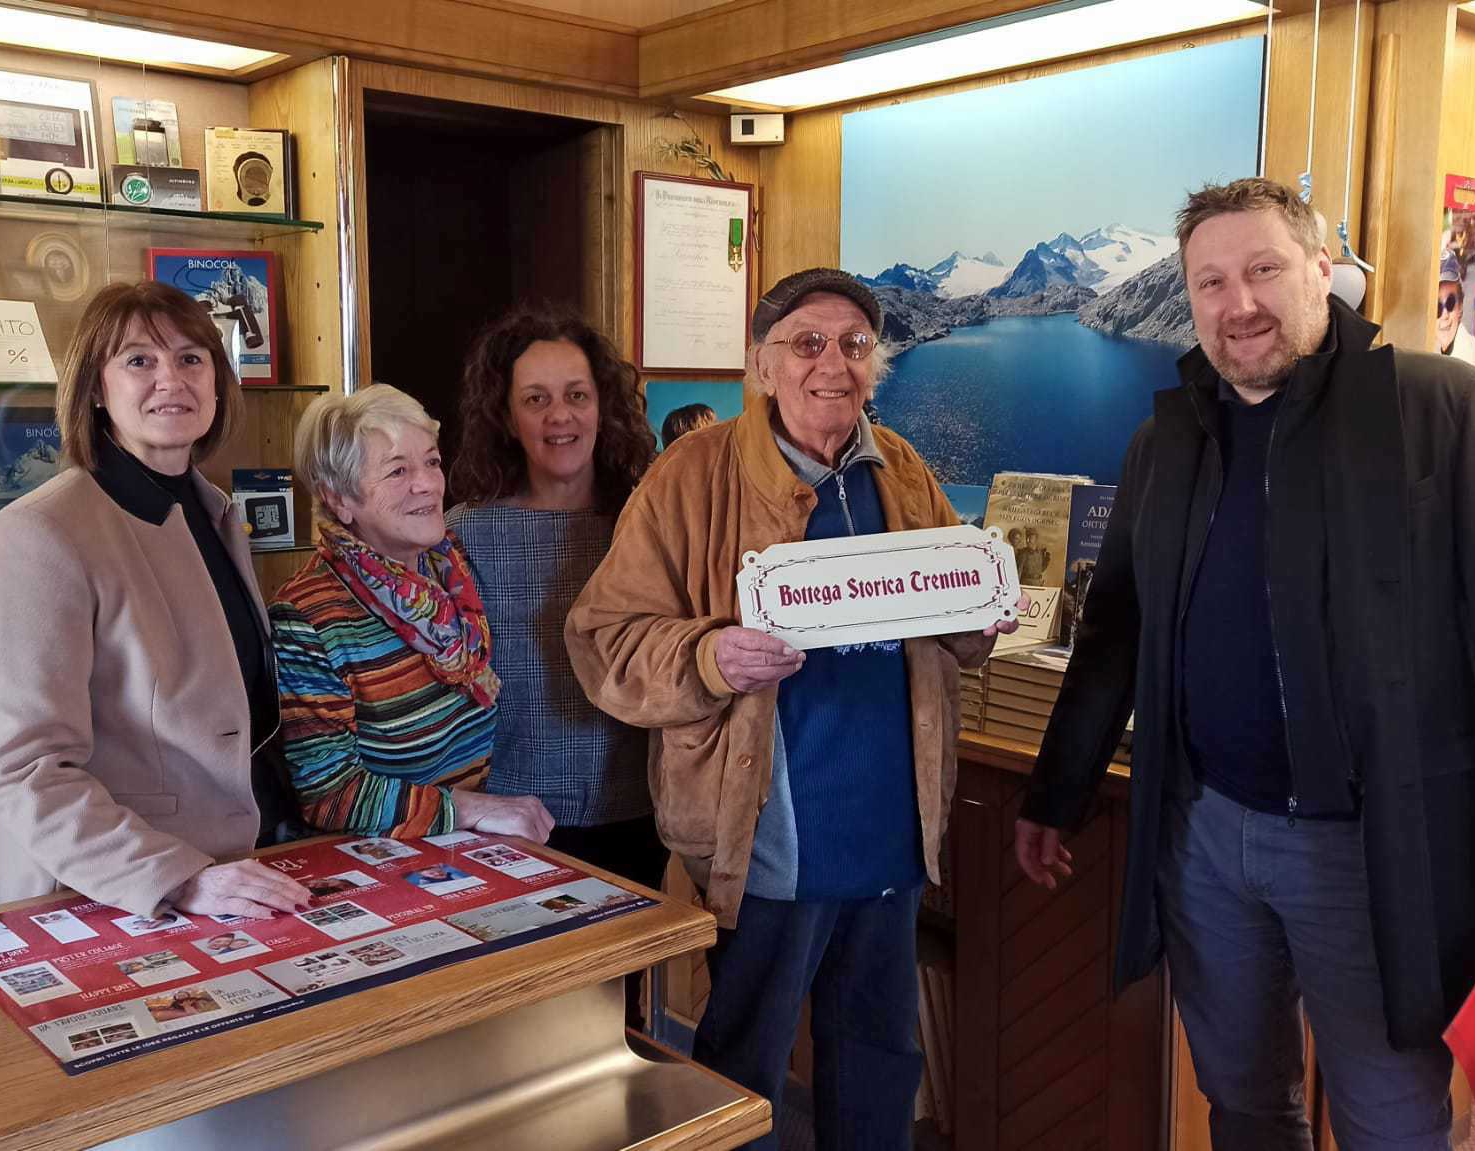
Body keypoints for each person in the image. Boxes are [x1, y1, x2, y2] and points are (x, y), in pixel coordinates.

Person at [1014, 178, 1475, 1151]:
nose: (1237, 303)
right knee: (1242, 1102)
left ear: (1322, 271)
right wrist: (1052, 794)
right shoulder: (1166, 441)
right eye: (1209, 282)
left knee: (1390, 1118)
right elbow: (1115, 630)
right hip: (1205, 836)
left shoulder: (1439, 408)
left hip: (1372, 846)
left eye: (1263, 270)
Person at [566, 268, 1020, 1151]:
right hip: (767, 843)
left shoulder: (903, 470)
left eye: (854, 344)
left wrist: (979, 617)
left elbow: (951, 629)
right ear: (762, 365)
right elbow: (604, 641)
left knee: (880, 1067)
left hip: (892, 836)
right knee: (744, 1074)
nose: (832, 364)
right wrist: (710, 656)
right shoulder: (691, 475)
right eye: (807, 342)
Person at [0, 281, 312, 923]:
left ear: (217, 382)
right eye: (139, 360)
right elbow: (25, 770)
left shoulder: (213, 512)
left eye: (191, 358)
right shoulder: (38, 534)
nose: (171, 380)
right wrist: (176, 878)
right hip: (118, 895)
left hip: (237, 871)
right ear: (96, 389)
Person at [444, 308, 665, 1019]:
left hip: (634, 811)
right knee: (520, 1026)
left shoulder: (647, 526)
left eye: (576, 395)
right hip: (510, 822)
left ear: (604, 407)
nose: (559, 416)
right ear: (507, 417)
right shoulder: (465, 534)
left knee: (617, 1021)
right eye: (535, 398)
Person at [269, 385, 554, 842]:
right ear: (339, 499)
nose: (428, 484)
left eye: (432, 462)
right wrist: (467, 809)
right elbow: (331, 795)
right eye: (398, 470)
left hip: (464, 846)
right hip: (375, 860)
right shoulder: (307, 617)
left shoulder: (450, 571)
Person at [1437, 251, 1475, 368]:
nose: (1445, 315)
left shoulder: (1463, 359)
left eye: (1450, 303)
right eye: (1437, 307)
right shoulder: (1437, 343)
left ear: (1460, 307)